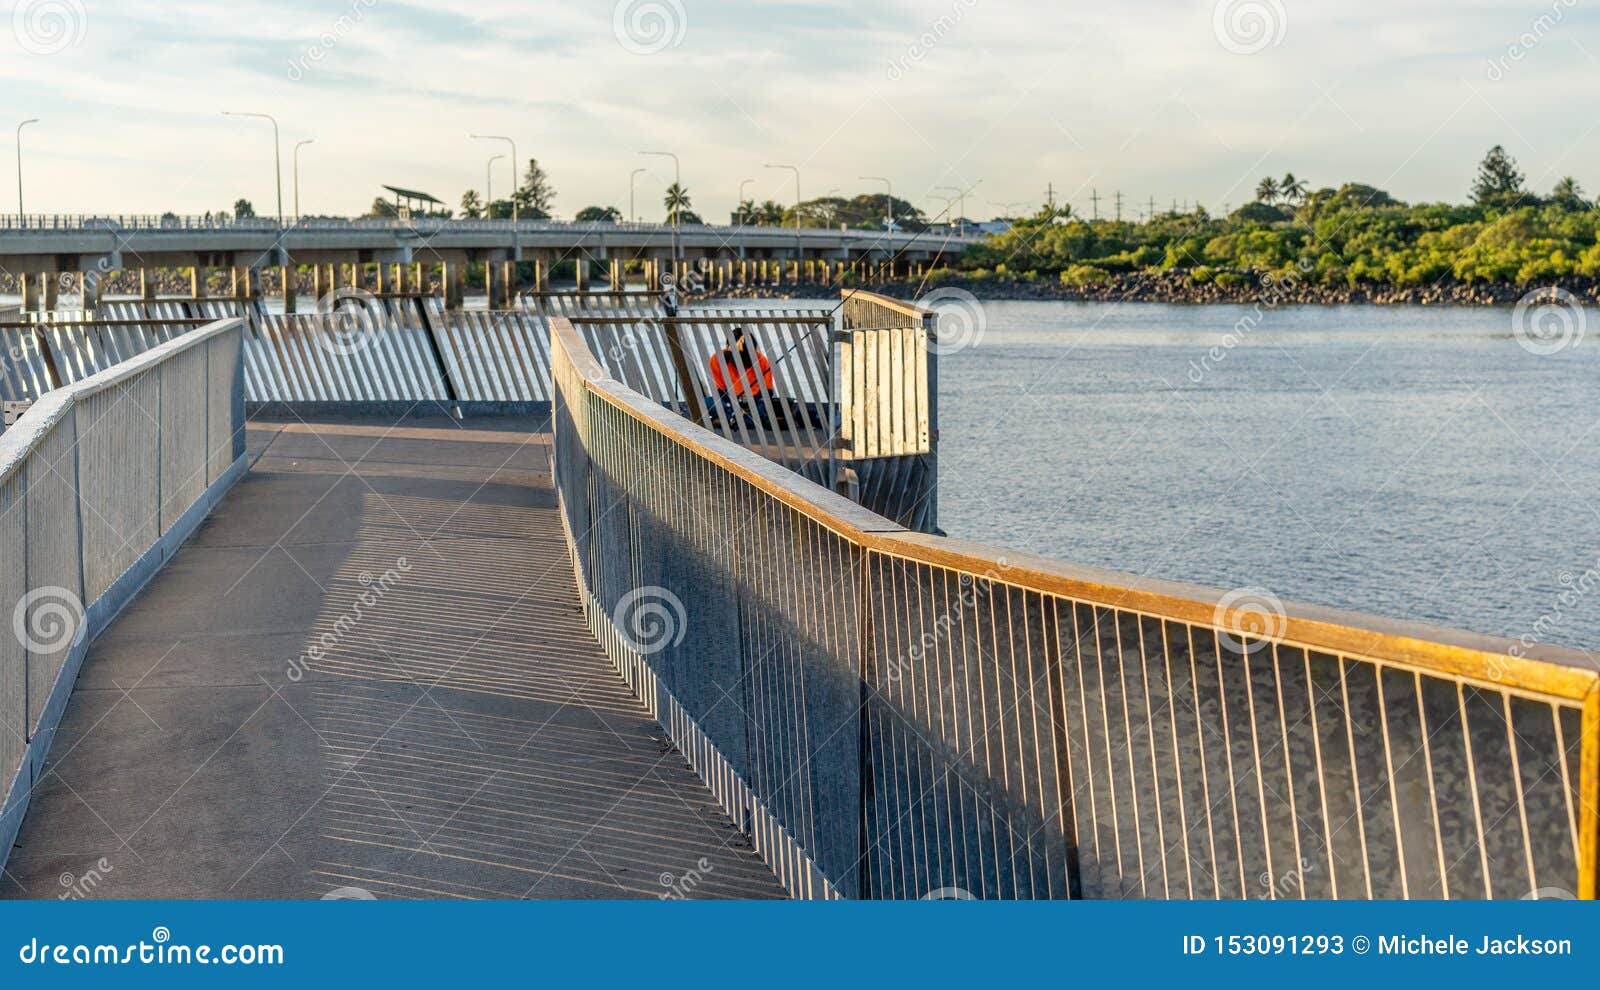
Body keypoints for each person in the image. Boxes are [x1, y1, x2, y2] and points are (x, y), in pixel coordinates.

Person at [706, 327, 775, 427]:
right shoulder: (717, 359)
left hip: (753, 403)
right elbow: (719, 390)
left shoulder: (761, 360)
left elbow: (768, 391)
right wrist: (735, 404)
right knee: (707, 402)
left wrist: (750, 404)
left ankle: (730, 420)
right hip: (728, 401)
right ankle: (738, 420)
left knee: (761, 410)